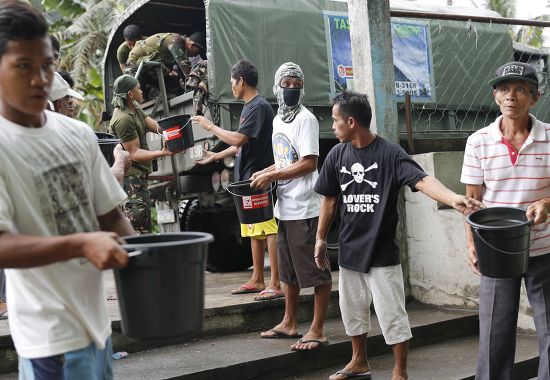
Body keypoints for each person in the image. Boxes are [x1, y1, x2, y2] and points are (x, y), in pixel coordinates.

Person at [0, 1, 134, 378]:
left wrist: (147, 262)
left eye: (46, 65)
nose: (40, 79)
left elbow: (110, 215)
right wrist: (80, 243)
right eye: (23, 66)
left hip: (97, 328)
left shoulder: (77, 135)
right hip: (48, 340)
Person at [314, 91, 482, 380]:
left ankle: (399, 372)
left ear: (351, 121)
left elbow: (422, 180)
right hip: (349, 250)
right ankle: (358, 361)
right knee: (352, 311)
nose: (332, 126)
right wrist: (319, 238)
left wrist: (454, 198)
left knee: (392, 315)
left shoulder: (389, 153)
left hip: (381, 252)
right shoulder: (336, 155)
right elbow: (329, 200)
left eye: (335, 120)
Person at [460, 61, 550, 380]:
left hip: (543, 248)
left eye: (520, 89)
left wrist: (547, 203)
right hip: (496, 251)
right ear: (496, 96)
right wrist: (472, 245)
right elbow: (472, 202)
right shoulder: (478, 142)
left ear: (535, 97)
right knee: (494, 337)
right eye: (504, 89)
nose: (511, 96)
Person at [251, 62, 332, 351]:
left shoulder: (306, 119)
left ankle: (318, 328)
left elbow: (309, 162)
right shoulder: (277, 120)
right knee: (288, 274)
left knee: (317, 272)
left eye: (297, 85)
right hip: (284, 207)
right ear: (276, 86)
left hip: (306, 208)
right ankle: (289, 321)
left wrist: (273, 174)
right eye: (286, 84)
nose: (291, 90)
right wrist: (265, 171)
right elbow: (286, 159)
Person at [193, 60, 282, 301]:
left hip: (260, 176)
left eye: (232, 82)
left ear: (241, 80)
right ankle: (257, 279)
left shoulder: (258, 106)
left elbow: (239, 139)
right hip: (248, 177)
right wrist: (216, 155)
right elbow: (239, 146)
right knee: (254, 227)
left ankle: (275, 282)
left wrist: (210, 126)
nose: (231, 86)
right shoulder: (249, 107)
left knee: (268, 227)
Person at [109, 74, 179, 234]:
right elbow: (133, 153)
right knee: (137, 225)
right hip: (130, 180)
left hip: (139, 179)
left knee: (144, 222)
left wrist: (170, 131)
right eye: (138, 89)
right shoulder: (123, 119)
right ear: (129, 94)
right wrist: (161, 153)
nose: (142, 92)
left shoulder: (133, 108)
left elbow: (153, 125)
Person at [125, 32, 205, 78]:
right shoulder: (176, 42)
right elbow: (187, 71)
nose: (195, 56)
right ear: (192, 44)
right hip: (134, 68)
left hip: (144, 66)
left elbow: (179, 70)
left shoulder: (178, 42)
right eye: (197, 52)